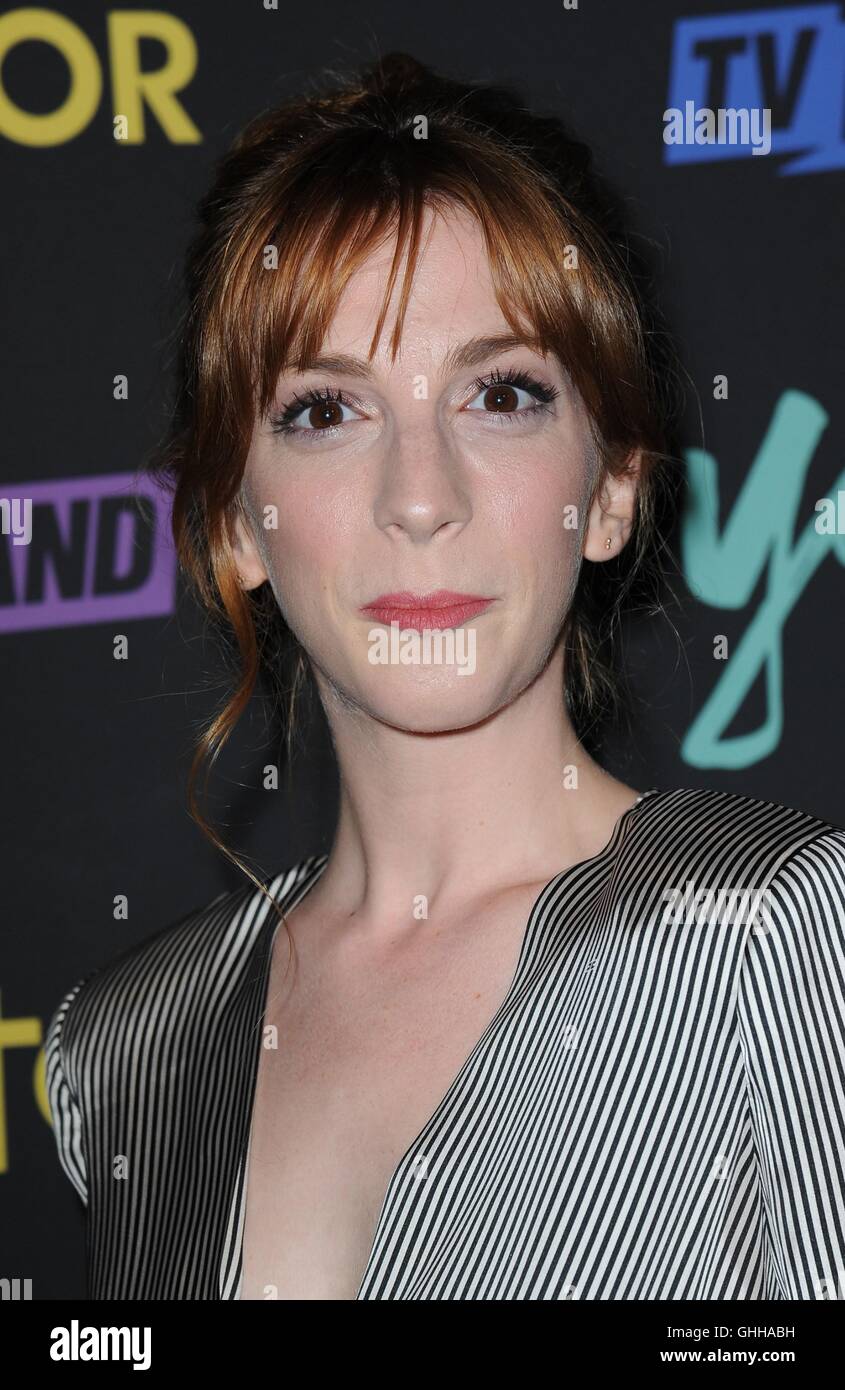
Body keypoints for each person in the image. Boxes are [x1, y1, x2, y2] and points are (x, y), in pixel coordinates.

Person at [46, 51, 845, 1301]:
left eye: (503, 394)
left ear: (612, 488)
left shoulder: (764, 929)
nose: (420, 497)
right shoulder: (125, 1049)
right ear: (231, 523)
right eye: (324, 410)